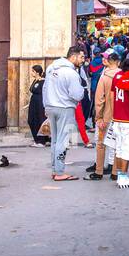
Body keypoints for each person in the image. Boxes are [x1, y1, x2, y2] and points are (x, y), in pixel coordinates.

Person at [43, 44, 88, 181]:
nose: (82, 60)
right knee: (63, 141)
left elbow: (45, 88)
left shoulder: (51, 69)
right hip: (65, 108)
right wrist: (82, 90)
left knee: (55, 141)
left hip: (50, 107)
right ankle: (60, 172)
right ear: (73, 56)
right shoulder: (71, 73)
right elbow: (77, 95)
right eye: (81, 57)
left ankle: (55, 169)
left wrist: (46, 106)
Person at [107, 55, 129, 188]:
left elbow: (111, 96)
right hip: (128, 119)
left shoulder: (116, 77)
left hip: (117, 118)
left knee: (120, 147)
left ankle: (120, 175)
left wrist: (113, 113)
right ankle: (123, 176)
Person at [87, 50, 121, 178]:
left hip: (106, 116)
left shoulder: (105, 77)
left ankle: (99, 171)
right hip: (120, 116)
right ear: (118, 62)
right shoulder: (122, 75)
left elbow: (99, 99)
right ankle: (115, 172)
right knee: (117, 143)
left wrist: (98, 117)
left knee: (101, 143)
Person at [27, 64, 49, 146]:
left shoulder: (43, 82)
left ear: (37, 72)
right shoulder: (35, 81)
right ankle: (40, 139)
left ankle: (41, 141)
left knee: (40, 120)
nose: (31, 73)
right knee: (31, 120)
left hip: (40, 103)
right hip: (34, 102)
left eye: (33, 71)